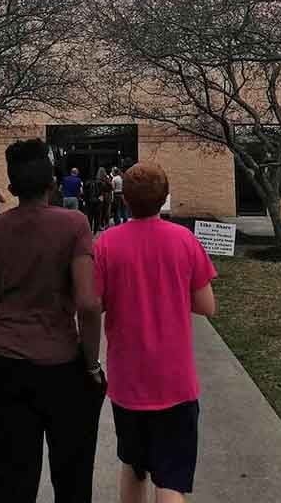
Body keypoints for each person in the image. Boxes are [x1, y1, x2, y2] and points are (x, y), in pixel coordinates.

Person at [0, 139, 105, 503]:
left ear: (11, 189)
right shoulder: (75, 224)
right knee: (73, 479)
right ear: (52, 184)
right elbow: (88, 304)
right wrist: (91, 365)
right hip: (62, 366)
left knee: (11, 483)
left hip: (4, 365)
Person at [94, 162, 217, 503]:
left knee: (133, 466)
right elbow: (206, 306)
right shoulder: (184, 240)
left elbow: (94, 304)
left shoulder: (106, 243)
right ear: (165, 197)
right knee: (170, 479)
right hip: (176, 382)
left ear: (125, 198)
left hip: (127, 382)